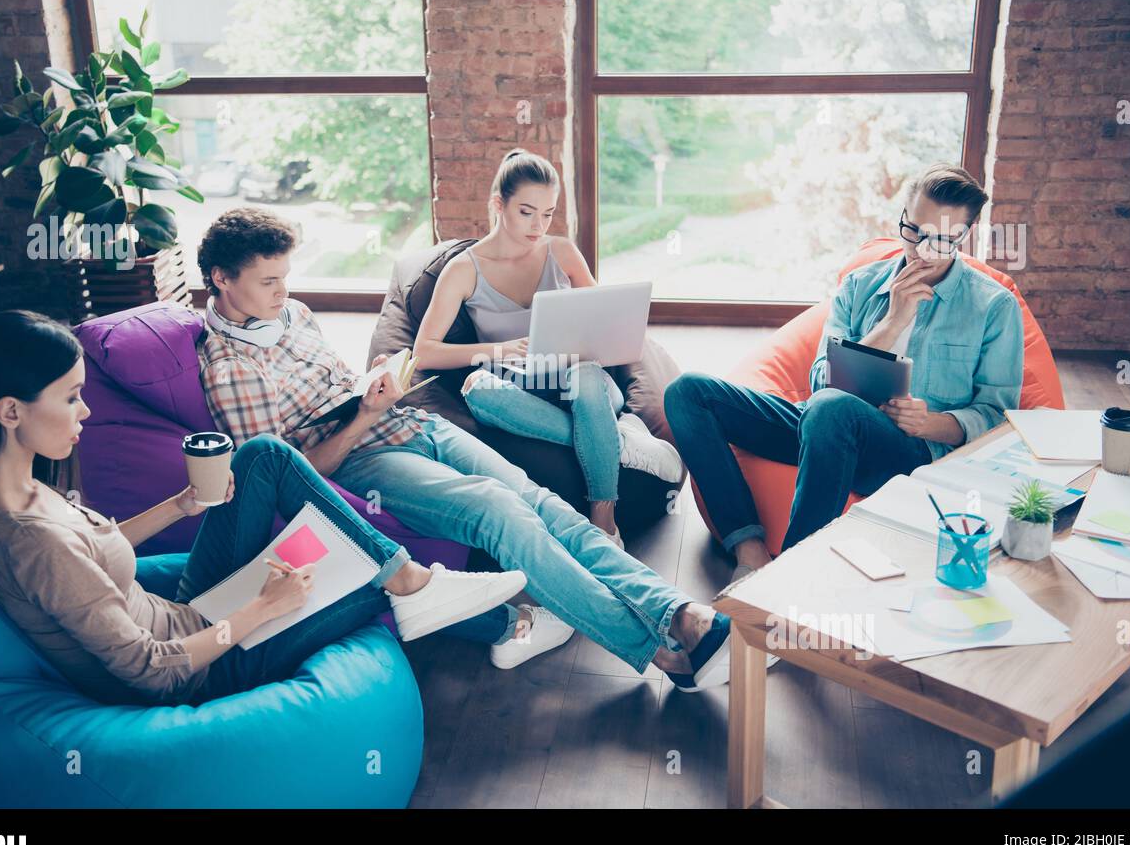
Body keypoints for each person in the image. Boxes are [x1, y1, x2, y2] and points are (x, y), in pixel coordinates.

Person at [196, 206, 733, 690]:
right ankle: (660, 653)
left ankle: (678, 612)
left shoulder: (294, 316)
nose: (283, 292)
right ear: (221, 279)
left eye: (285, 277)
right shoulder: (230, 370)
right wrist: (366, 415)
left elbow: (339, 385)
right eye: (269, 281)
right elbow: (294, 472)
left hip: (412, 422)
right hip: (365, 460)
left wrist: (381, 386)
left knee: (548, 506)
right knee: (501, 512)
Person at [0, 310, 525, 706]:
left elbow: (93, 552)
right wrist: (262, 609)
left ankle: (412, 580)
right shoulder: (29, 539)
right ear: (9, 411)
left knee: (264, 457)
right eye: (71, 397)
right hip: (203, 667)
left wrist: (182, 505)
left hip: (185, 610)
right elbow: (154, 673)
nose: (86, 413)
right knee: (359, 576)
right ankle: (504, 622)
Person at [666, 163, 1024, 586]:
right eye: (915, 232)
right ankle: (750, 548)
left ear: (966, 236)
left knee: (832, 409)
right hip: (821, 426)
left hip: (909, 453)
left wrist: (933, 423)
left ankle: (789, 580)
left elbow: (999, 416)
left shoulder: (993, 307)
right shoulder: (860, 285)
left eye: (943, 240)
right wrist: (892, 320)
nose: (924, 251)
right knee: (687, 392)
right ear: (903, 219)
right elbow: (824, 381)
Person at [412, 148, 683, 547]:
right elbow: (424, 352)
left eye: (547, 213)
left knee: (586, 375)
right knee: (477, 389)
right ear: (498, 204)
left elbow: (605, 320)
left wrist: (591, 346)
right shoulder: (463, 270)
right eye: (526, 212)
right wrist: (498, 350)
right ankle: (619, 441)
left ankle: (603, 520)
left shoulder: (562, 253)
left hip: (582, 383)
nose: (538, 225)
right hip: (519, 387)